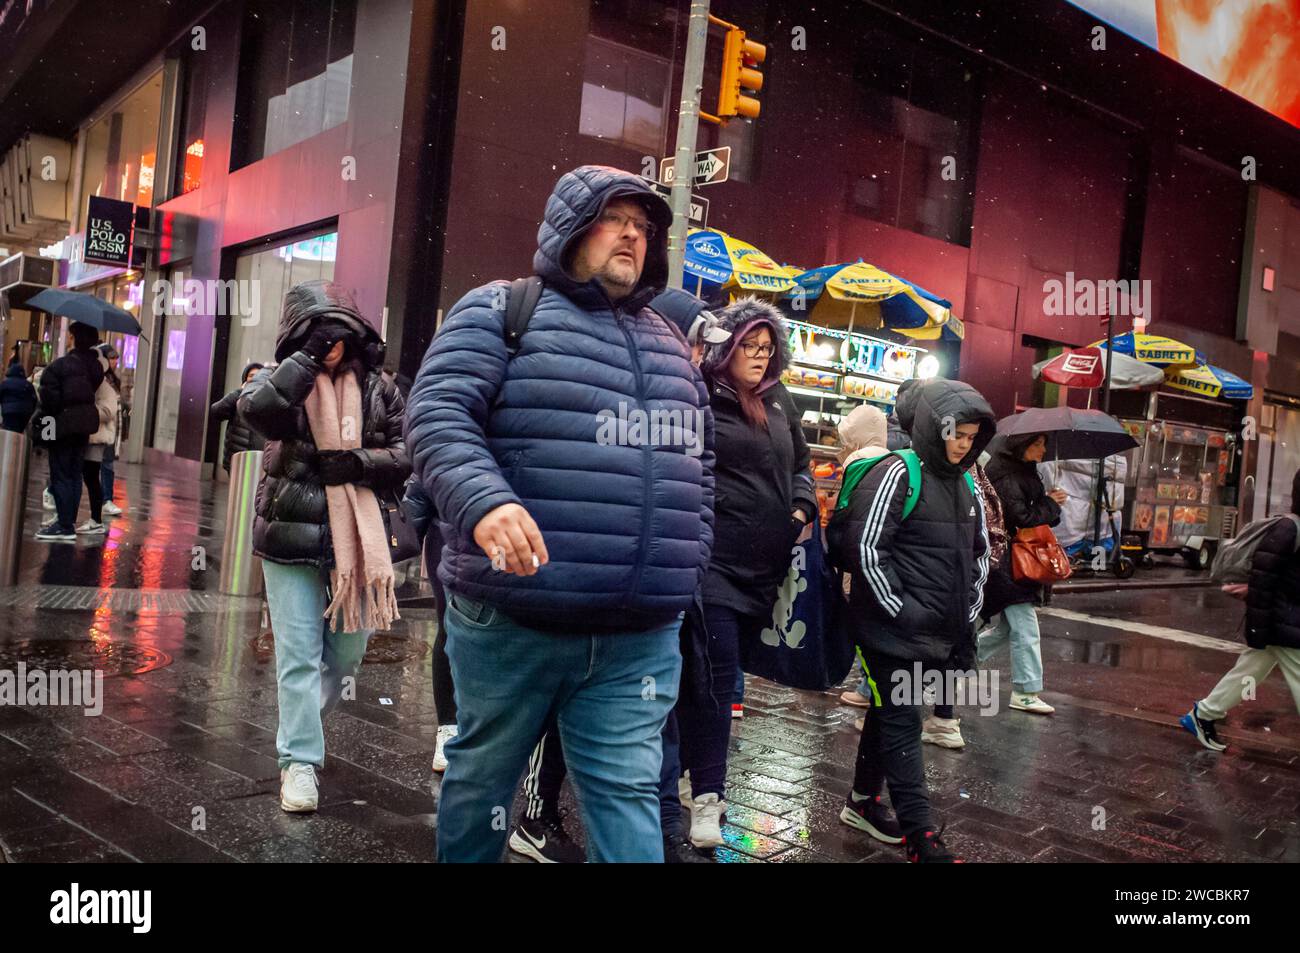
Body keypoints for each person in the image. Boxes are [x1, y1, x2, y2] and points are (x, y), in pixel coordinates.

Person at [405, 164, 715, 863]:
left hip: (637, 631)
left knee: (628, 792)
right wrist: (484, 502)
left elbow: (703, 464)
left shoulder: (670, 341)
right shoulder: (499, 308)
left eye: (645, 228)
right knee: (485, 779)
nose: (634, 236)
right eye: (618, 221)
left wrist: (686, 565)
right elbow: (436, 414)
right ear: (572, 227)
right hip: (515, 614)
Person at [238, 280, 409, 813]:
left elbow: (408, 450)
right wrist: (306, 359)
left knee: (347, 653)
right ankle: (299, 762)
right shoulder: (283, 381)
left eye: (337, 333)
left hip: (356, 545)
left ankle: (298, 732)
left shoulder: (381, 388)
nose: (331, 343)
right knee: (298, 657)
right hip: (290, 538)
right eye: (317, 332)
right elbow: (259, 410)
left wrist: (361, 464)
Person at [668, 297, 816, 852]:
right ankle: (710, 796)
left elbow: (800, 464)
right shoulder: (703, 394)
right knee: (720, 678)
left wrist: (800, 509)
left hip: (766, 571)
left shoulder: (779, 401)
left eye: (767, 347)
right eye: (749, 346)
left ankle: (686, 768)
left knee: (707, 678)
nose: (758, 357)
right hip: (714, 565)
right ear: (726, 348)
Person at [829, 378, 995, 862]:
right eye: (956, 434)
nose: (964, 445)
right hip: (889, 632)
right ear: (933, 428)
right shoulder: (898, 473)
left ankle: (862, 802)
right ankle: (923, 840)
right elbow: (866, 549)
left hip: (939, 633)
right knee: (903, 721)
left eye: (971, 437)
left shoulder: (966, 485)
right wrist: (902, 611)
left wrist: (965, 613)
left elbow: (980, 556)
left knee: (890, 712)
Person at [405, 476, 582, 863]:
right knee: (452, 630)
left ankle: (534, 811)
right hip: (461, 527)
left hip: (546, 542)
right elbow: (438, 433)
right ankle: (449, 727)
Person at [1181, 469, 1300, 750]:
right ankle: (1202, 715)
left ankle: (1203, 714)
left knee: (1247, 673)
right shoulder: (1289, 529)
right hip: (1282, 623)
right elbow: (1263, 579)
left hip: (1282, 621)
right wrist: (1258, 629)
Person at [978, 433, 1065, 714]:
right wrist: (1049, 503)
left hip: (1015, 561)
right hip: (1009, 562)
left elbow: (1037, 514)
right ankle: (1026, 691)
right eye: (1037, 443)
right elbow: (1020, 518)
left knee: (1005, 630)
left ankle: (954, 665)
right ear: (1021, 445)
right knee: (1026, 626)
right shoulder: (1007, 474)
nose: (1043, 449)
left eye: (1044, 444)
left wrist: (1050, 504)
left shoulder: (1023, 471)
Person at [835, 404, 891, 711]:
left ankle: (868, 689)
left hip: (858, 554)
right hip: (880, 555)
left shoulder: (857, 460)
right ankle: (867, 687)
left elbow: (846, 509)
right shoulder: (892, 459)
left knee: (859, 622)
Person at [35, 322, 104, 542]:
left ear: (73, 337)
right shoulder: (95, 368)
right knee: (75, 473)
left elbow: (49, 399)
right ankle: (68, 521)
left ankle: (64, 525)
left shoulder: (60, 366)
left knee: (61, 472)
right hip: (84, 425)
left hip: (63, 425)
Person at [75, 345, 123, 535]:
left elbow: (108, 412)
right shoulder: (90, 383)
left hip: (98, 436)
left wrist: (87, 410)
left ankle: (96, 518)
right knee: (83, 474)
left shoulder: (105, 386)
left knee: (92, 476)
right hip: (87, 434)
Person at [211, 362, 268, 475]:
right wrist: (240, 392)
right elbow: (216, 411)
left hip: (258, 462)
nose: (255, 379)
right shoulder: (237, 398)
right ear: (245, 379)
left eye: (258, 376)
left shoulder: (268, 401)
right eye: (251, 376)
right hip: (236, 462)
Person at [93, 344, 125, 517]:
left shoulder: (114, 380)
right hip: (98, 428)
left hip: (111, 431)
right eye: (111, 358)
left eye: (116, 359)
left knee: (107, 464)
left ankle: (107, 500)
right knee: (87, 467)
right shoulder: (98, 378)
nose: (114, 362)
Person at [0, 358, 36, 433]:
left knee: (9, 431)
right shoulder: (28, 385)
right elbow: (34, 400)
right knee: (19, 431)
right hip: (25, 413)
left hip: (9, 412)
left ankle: (10, 444)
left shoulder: (5, 383)